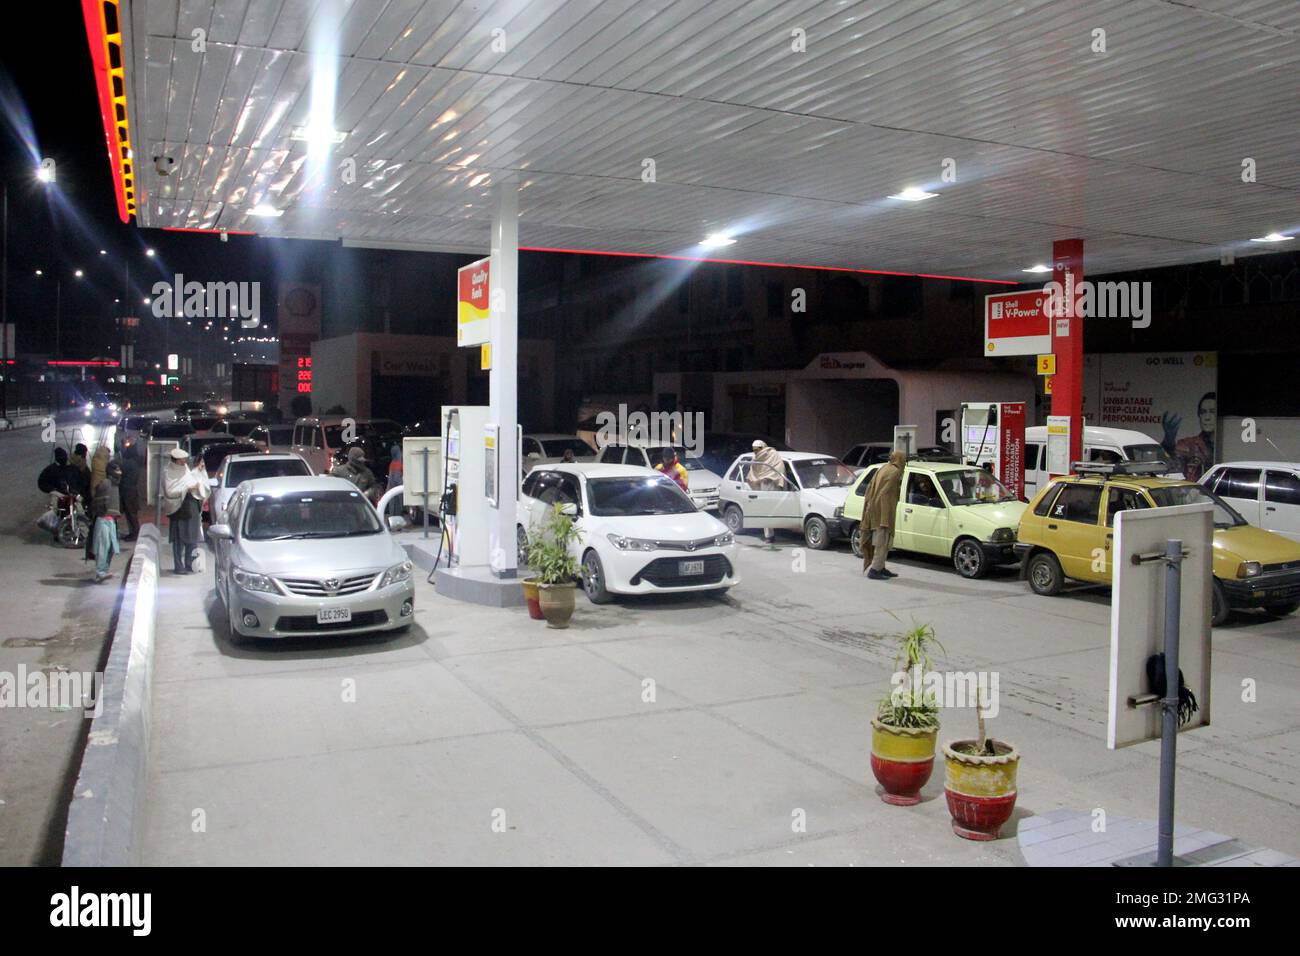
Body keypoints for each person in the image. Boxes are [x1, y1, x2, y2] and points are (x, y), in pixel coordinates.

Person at [162, 447, 209, 574]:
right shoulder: (168, 472)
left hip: (191, 507)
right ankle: (179, 566)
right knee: (179, 538)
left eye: (184, 460)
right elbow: (169, 492)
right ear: (175, 460)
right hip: (178, 510)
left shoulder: (186, 470)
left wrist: (196, 486)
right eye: (182, 460)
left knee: (192, 537)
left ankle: (190, 564)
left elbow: (193, 481)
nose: (184, 463)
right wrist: (186, 489)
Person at [861, 450, 905, 579]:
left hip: (874, 509)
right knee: (882, 542)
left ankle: (881, 567)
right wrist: (885, 517)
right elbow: (886, 494)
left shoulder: (884, 467)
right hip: (883, 513)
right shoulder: (895, 472)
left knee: (882, 542)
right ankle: (875, 570)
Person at [1161, 391, 1216, 482]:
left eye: (1212, 412)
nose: (1207, 417)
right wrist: (1168, 441)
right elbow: (1172, 459)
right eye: (1203, 412)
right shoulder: (1188, 444)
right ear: (1199, 415)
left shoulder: (1225, 445)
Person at [749, 440, 786, 546]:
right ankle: (769, 536)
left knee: (776, 509)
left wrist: (771, 477)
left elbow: (780, 468)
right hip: (762, 486)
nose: (757, 452)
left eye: (758, 449)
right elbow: (753, 472)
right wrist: (759, 479)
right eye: (755, 450)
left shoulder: (773, 455)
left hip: (774, 485)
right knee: (766, 511)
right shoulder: (755, 458)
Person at [91, 460, 123, 583]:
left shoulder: (115, 484)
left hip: (111, 521)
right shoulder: (105, 483)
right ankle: (100, 572)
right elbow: (97, 501)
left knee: (110, 547)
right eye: (117, 470)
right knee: (103, 547)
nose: (120, 472)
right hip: (103, 520)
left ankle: (104, 570)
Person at [119, 441, 142, 541]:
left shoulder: (128, 463)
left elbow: (120, 472)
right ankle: (133, 532)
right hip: (132, 490)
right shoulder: (136, 462)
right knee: (132, 513)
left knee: (130, 514)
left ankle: (134, 533)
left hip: (127, 491)